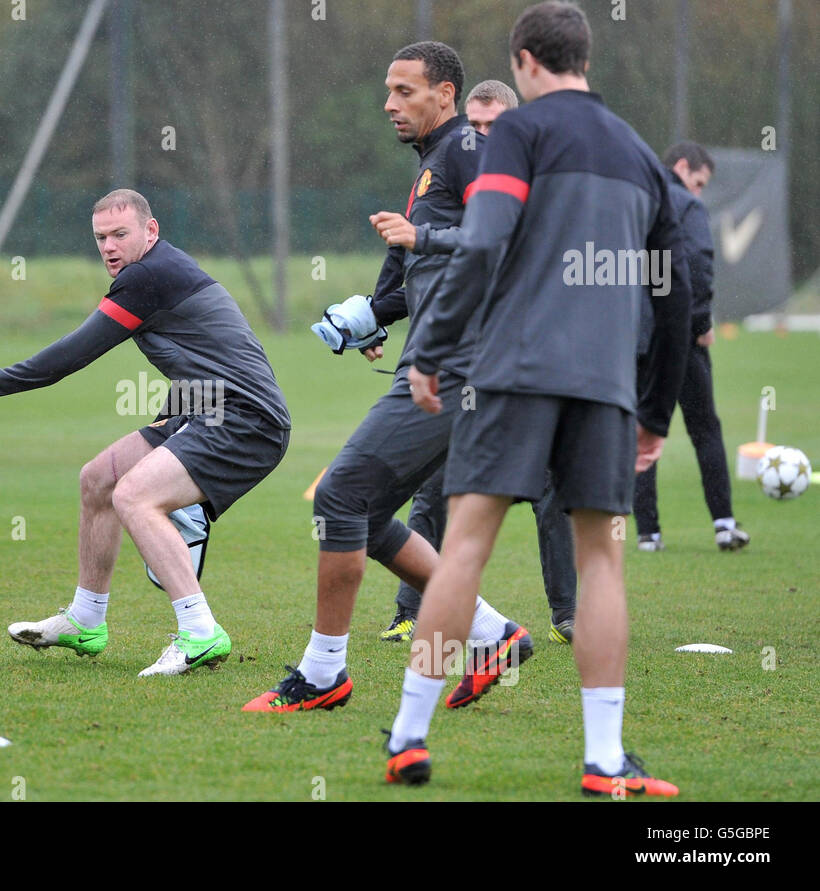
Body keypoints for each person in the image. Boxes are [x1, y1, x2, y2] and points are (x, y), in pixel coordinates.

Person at [382, 1, 690, 797]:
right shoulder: (635, 149)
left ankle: (410, 736)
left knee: (467, 545)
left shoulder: (515, 132)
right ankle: (604, 759)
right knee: (602, 561)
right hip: (604, 383)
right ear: (585, 57)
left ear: (523, 61)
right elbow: (677, 287)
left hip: (512, 371)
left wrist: (430, 348)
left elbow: (483, 243)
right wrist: (655, 410)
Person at [242, 42, 533, 715]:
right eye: (388, 90)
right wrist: (368, 317)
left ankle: (323, 674)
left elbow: (513, 241)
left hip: (458, 367)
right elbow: (432, 270)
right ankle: (493, 635)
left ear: (446, 96)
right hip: (440, 363)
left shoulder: (464, 150)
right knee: (363, 512)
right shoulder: (435, 165)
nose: (389, 104)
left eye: (405, 91)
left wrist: (421, 242)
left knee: (339, 498)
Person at [0, 189, 290, 677]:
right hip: (204, 406)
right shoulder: (157, 271)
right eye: (100, 238)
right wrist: (170, 419)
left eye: (120, 234)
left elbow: (69, 356)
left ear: (150, 231)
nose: (109, 246)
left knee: (134, 496)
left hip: (243, 419)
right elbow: (209, 357)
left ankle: (199, 633)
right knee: (99, 479)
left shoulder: (146, 277)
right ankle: (86, 621)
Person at [382, 76, 579, 648]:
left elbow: (488, 245)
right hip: (461, 364)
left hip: (518, 363)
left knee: (549, 490)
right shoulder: (452, 172)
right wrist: (374, 315)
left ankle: (565, 613)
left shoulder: (526, 186)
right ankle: (410, 610)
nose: (483, 136)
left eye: (495, 127)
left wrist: (424, 239)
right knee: (432, 488)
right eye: (477, 126)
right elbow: (416, 262)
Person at [633, 141, 748, 553]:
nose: (698, 191)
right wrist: (700, 324)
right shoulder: (685, 204)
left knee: (642, 426)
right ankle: (723, 523)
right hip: (678, 334)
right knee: (704, 427)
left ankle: (648, 534)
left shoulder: (637, 196)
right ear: (683, 168)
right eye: (698, 182)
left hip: (635, 337)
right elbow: (696, 265)